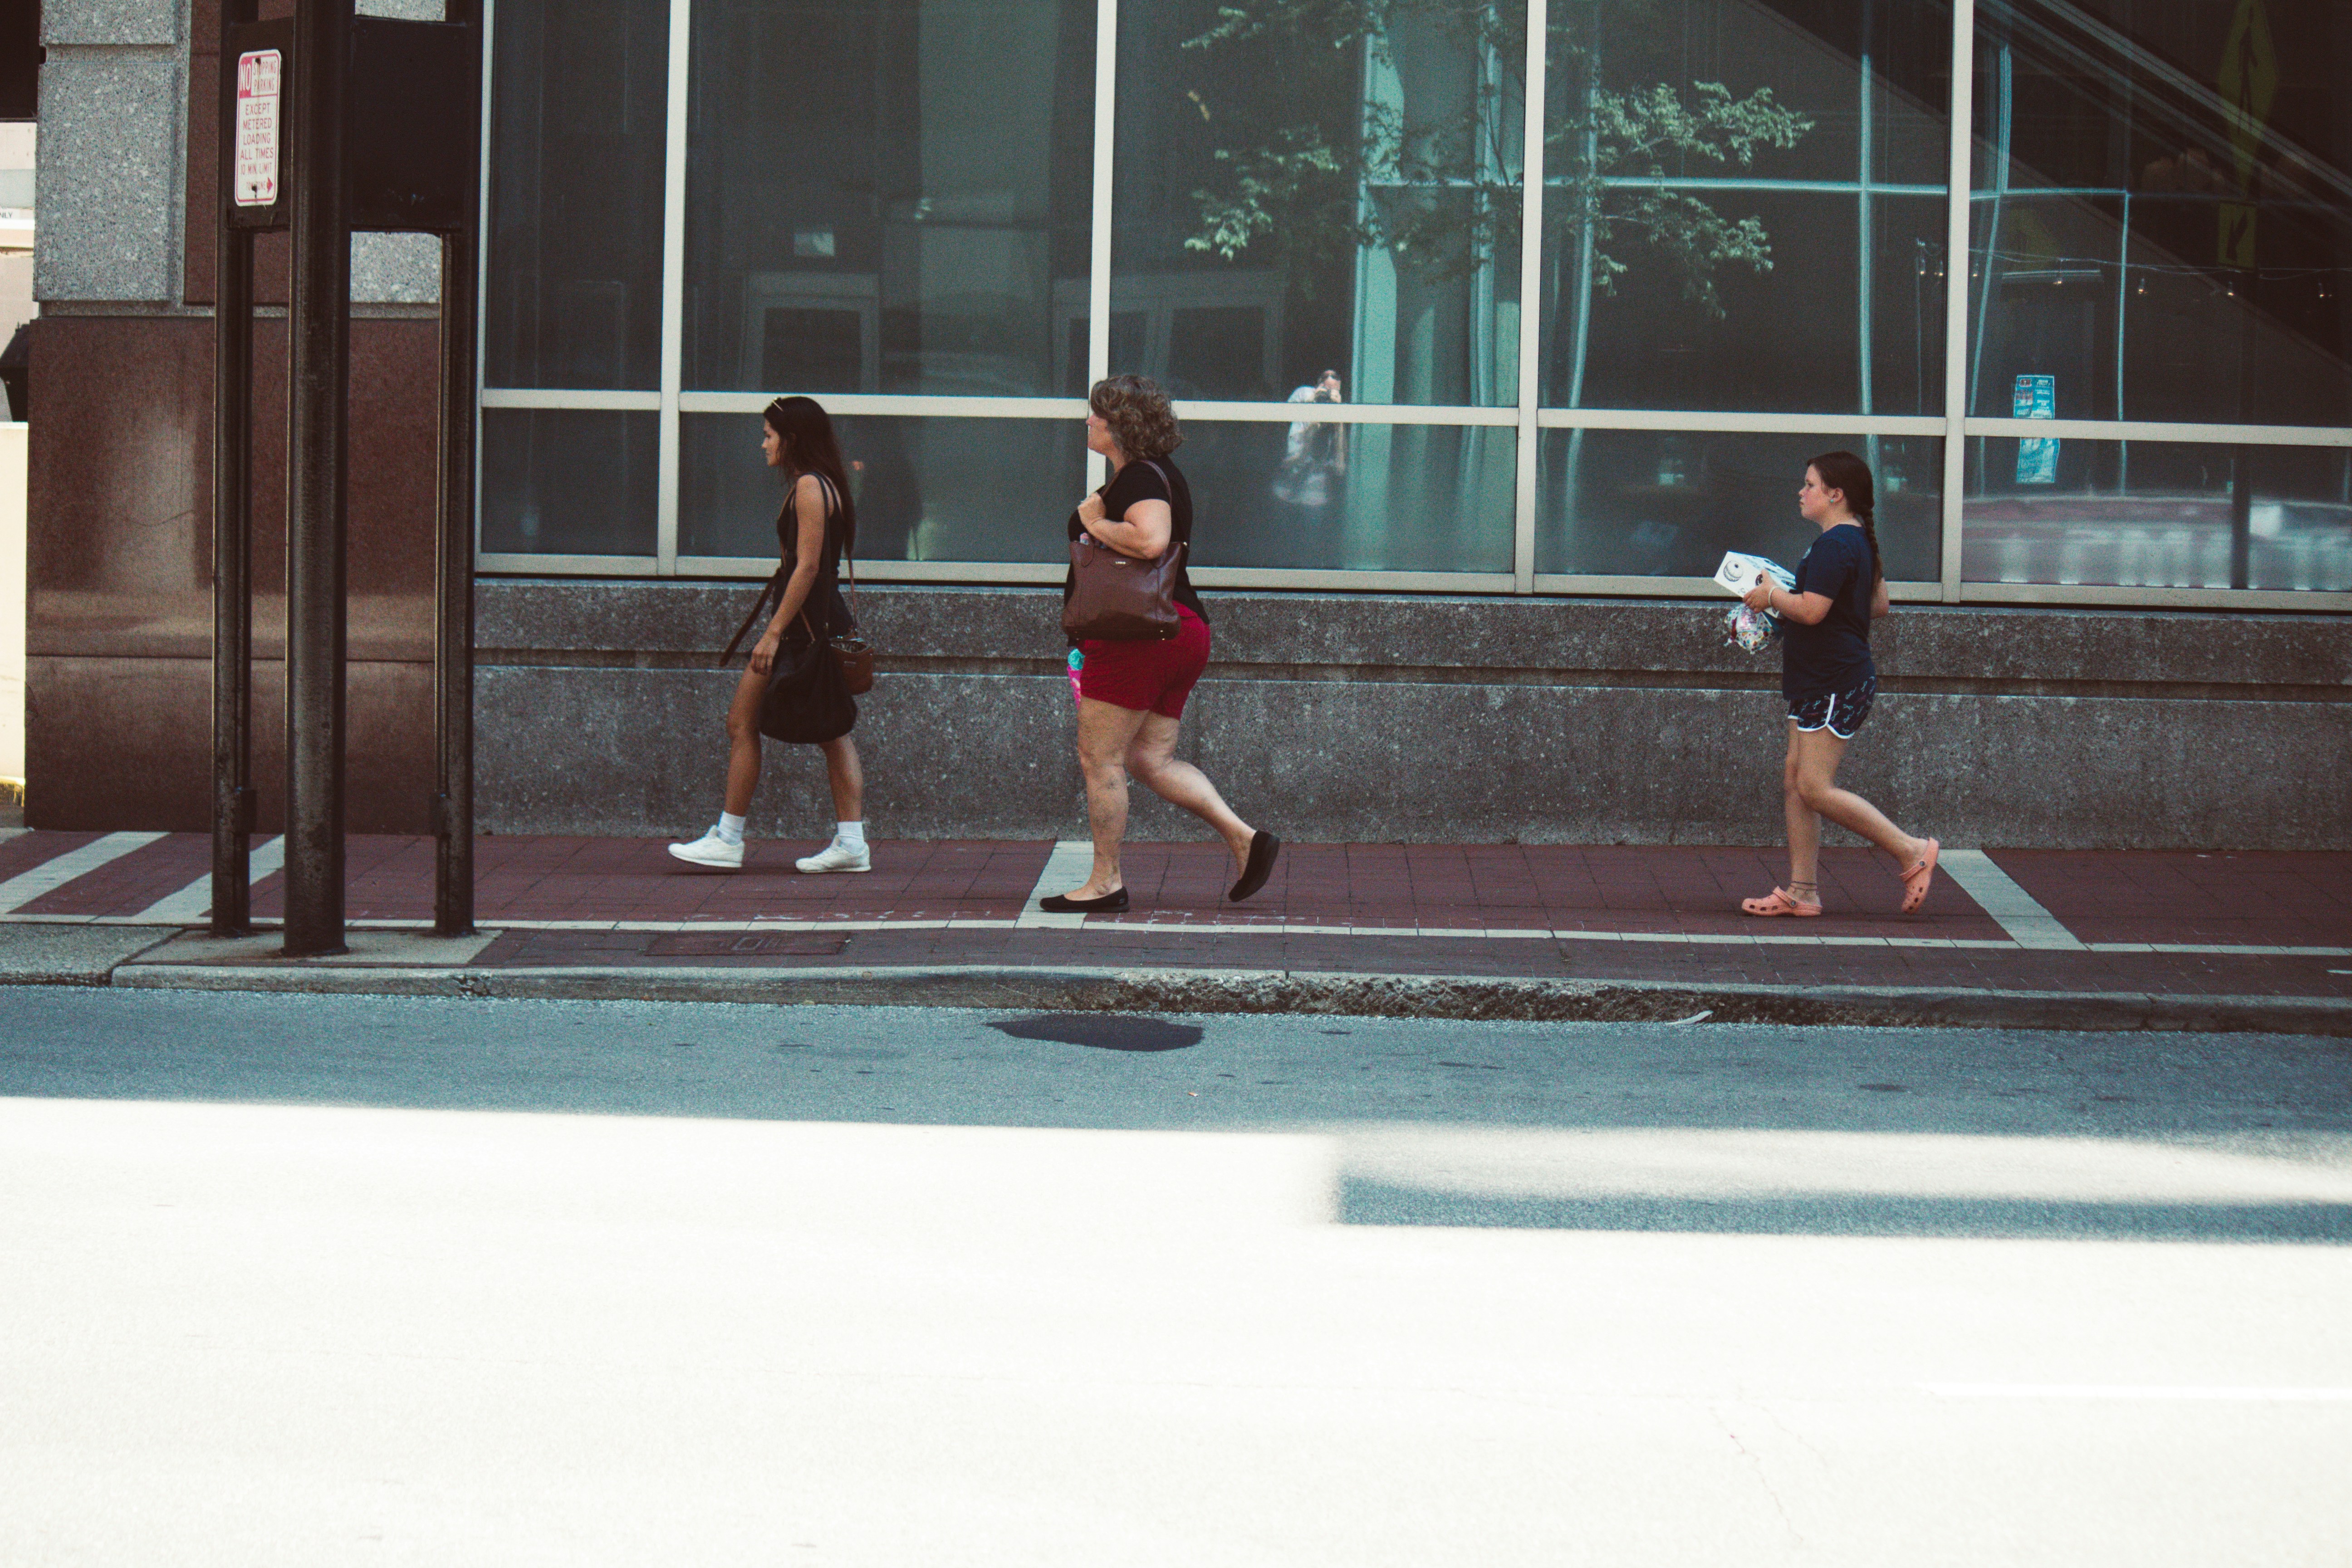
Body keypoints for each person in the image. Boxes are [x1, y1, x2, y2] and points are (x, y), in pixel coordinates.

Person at [1041, 374, 1279, 913]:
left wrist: (1091, 522)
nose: (1088, 421)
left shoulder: (1138, 481)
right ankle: (1247, 839)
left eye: (1096, 413)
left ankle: (1105, 883)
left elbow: (1150, 541)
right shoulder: (1156, 475)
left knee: (1098, 757)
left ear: (1119, 425)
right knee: (1151, 758)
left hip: (1139, 638)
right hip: (1181, 631)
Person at [669, 396, 869, 875]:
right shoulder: (827, 484)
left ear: (792, 439)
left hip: (804, 628)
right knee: (831, 733)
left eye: (768, 435)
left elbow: (809, 566)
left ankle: (730, 838)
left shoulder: (808, 486)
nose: (763, 444)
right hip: (816, 623)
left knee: (745, 723)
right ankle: (849, 843)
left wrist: (773, 633)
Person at [1739, 451, 1938, 916]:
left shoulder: (1834, 546)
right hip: (1820, 678)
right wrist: (1794, 596)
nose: (1801, 492)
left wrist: (1772, 595)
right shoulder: (1856, 542)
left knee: (1813, 786)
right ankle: (1803, 892)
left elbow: (1811, 610)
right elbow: (1878, 604)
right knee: (1795, 781)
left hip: (1834, 680)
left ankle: (1912, 851)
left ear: (1836, 494)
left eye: (1810, 485)